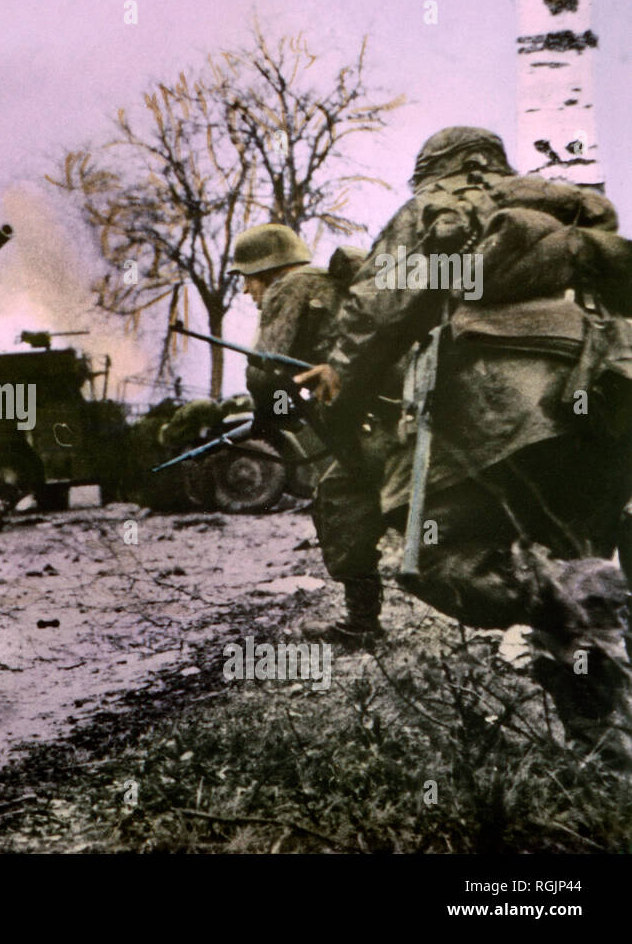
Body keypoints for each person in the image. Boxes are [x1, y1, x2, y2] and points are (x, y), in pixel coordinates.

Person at [296, 126, 632, 766]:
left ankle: (571, 611)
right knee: (576, 557)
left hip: (501, 412)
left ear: (437, 167)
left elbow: (380, 304)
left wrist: (344, 382)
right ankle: (606, 750)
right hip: (605, 401)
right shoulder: (568, 212)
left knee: (435, 556)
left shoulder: (439, 205)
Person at [231, 224, 389, 646]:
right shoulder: (333, 287)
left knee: (339, 504)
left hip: (367, 430)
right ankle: (362, 622)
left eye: (247, 279)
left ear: (267, 271)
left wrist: (268, 416)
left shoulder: (289, 288)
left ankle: (363, 624)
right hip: (386, 421)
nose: (247, 292)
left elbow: (264, 369)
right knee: (343, 497)